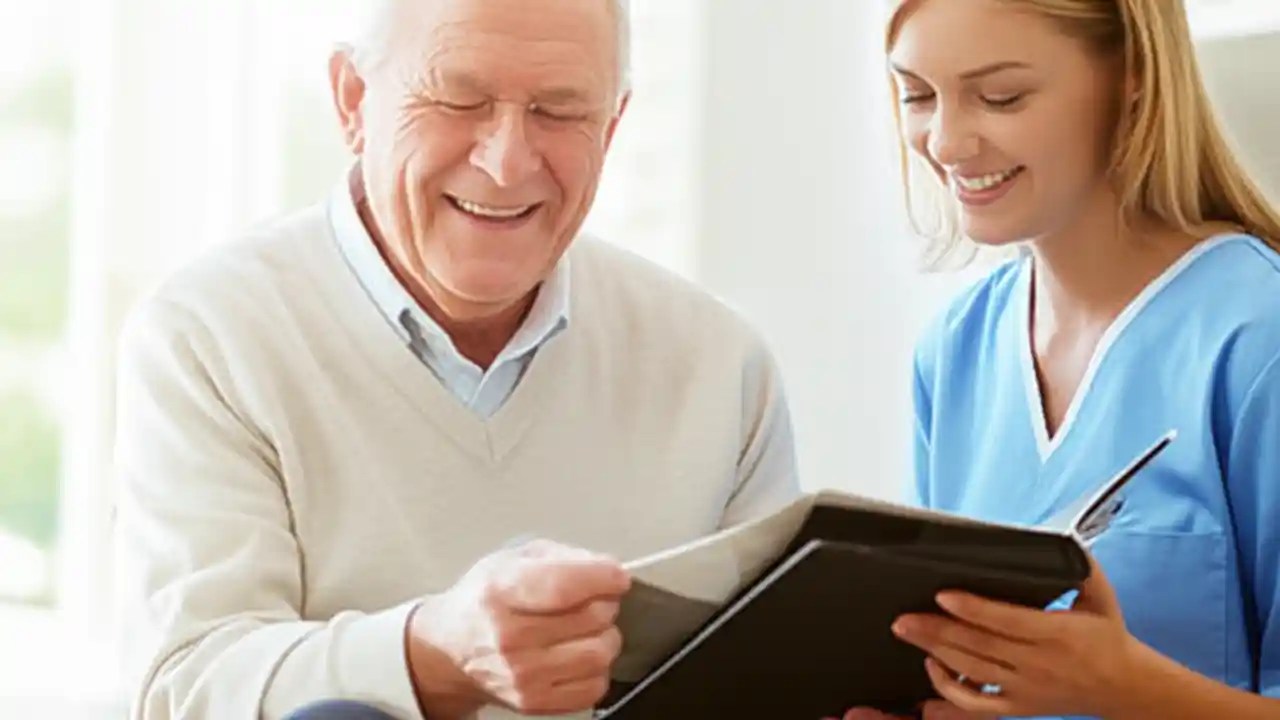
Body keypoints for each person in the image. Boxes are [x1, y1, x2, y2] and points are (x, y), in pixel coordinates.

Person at [111, 0, 800, 718]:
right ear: (353, 99)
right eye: (458, 98)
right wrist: (430, 654)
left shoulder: (720, 366)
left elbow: (779, 681)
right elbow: (184, 688)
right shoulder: (211, 335)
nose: (506, 163)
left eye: (559, 112)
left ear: (613, 125)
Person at [845, 0, 1280, 718]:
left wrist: (1123, 688)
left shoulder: (1255, 337)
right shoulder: (956, 350)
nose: (946, 142)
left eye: (1001, 97)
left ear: (1133, 76)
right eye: (918, 95)